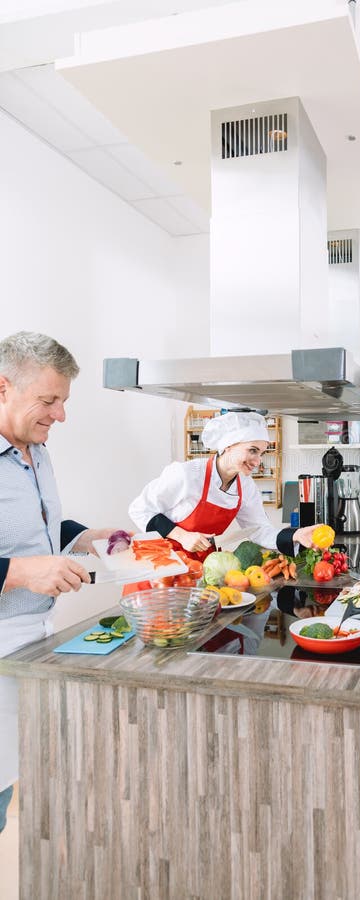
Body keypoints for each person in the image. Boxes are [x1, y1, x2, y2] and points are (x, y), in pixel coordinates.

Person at [0, 332, 119, 834]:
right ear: (2, 387)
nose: (60, 415)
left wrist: (87, 536)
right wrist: (21, 572)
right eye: (48, 401)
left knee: (5, 790)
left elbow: (38, 527)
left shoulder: (35, 450)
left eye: (63, 402)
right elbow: (21, 558)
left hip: (28, 641)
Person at [128, 411, 319, 564]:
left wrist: (296, 535)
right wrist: (182, 536)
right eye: (252, 450)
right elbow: (140, 509)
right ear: (228, 445)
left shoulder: (246, 486)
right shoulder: (187, 474)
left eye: (261, 453)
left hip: (201, 569)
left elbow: (258, 530)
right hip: (160, 566)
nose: (258, 461)